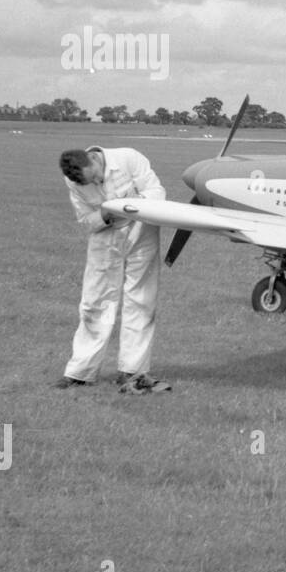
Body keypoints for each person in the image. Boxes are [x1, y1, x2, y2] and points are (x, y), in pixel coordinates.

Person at [57, 146, 171, 394]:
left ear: (95, 159)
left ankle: (132, 371)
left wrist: (130, 205)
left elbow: (157, 193)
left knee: (141, 300)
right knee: (93, 303)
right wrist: (106, 216)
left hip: (142, 232)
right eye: (91, 183)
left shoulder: (129, 158)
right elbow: (86, 219)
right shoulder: (73, 182)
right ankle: (80, 373)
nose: (97, 183)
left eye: (97, 177)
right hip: (105, 237)